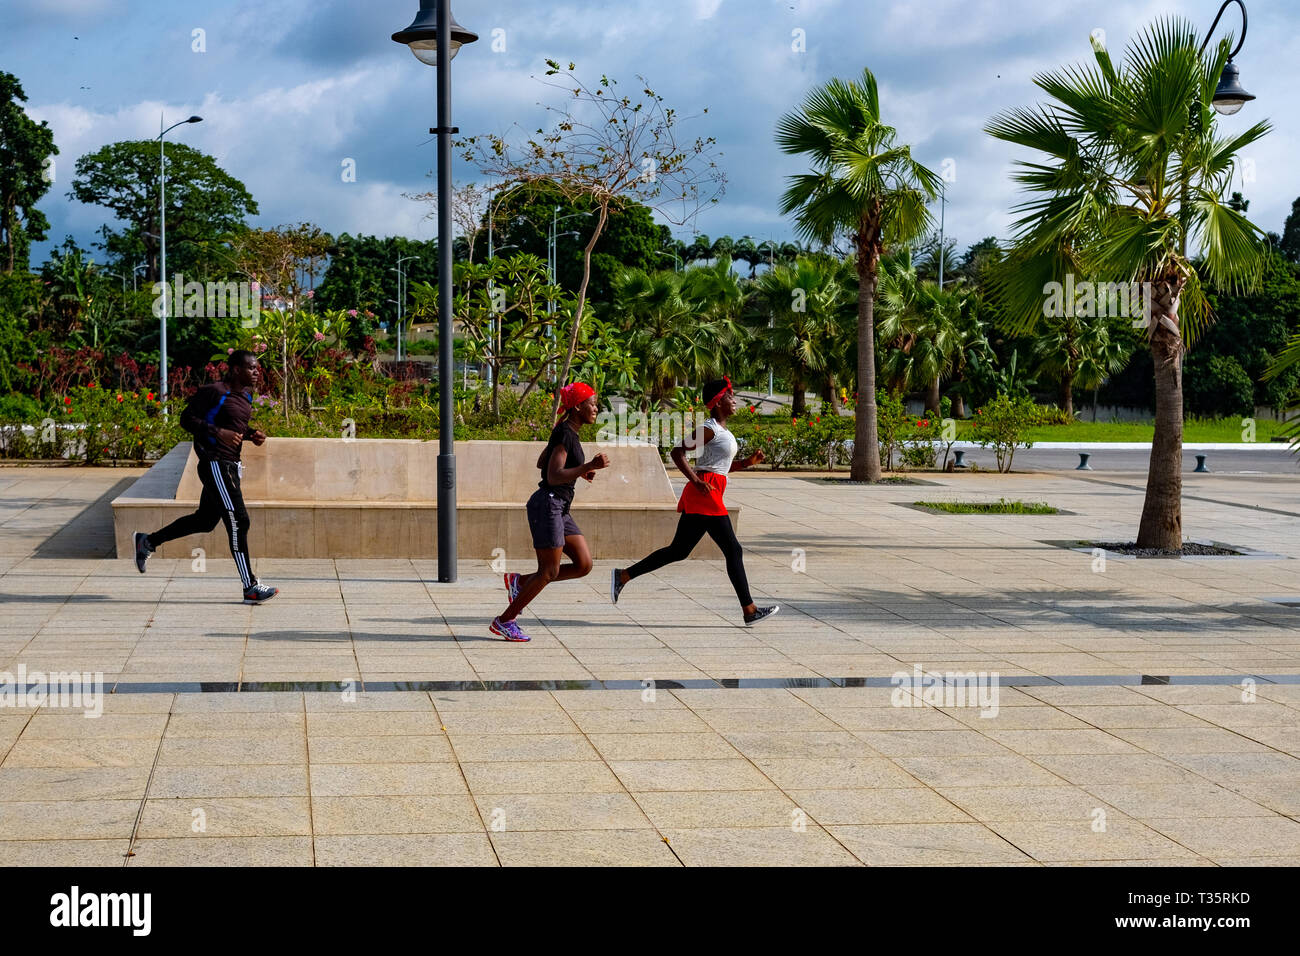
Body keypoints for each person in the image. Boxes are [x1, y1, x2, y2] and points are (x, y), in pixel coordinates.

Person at [611, 377, 777, 625]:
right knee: (734, 550)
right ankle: (749, 610)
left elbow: (717, 468)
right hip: (704, 493)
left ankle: (623, 576)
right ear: (719, 402)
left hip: (708, 489)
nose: (735, 401)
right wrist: (696, 482)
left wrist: (747, 463)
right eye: (730, 397)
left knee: (678, 551)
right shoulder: (709, 428)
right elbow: (677, 452)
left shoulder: (721, 431)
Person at [133, 349, 279, 604]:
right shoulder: (215, 391)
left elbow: (234, 426)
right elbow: (186, 419)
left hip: (231, 465)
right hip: (215, 463)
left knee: (204, 521)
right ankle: (250, 587)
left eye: (257, 368)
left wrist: (251, 434)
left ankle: (148, 542)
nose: (257, 372)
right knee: (239, 520)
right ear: (236, 369)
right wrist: (216, 431)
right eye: (251, 368)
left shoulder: (246, 395)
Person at [491, 382, 610, 641]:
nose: (596, 408)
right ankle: (505, 620)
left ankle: (520, 582)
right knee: (549, 571)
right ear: (577, 406)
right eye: (592, 403)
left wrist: (580, 469)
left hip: (560, 506)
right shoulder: (566, 433)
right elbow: (553, 475)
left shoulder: (566, 431)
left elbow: (542, 462)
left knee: (583, 564)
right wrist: (588, 465)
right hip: (549, 504)